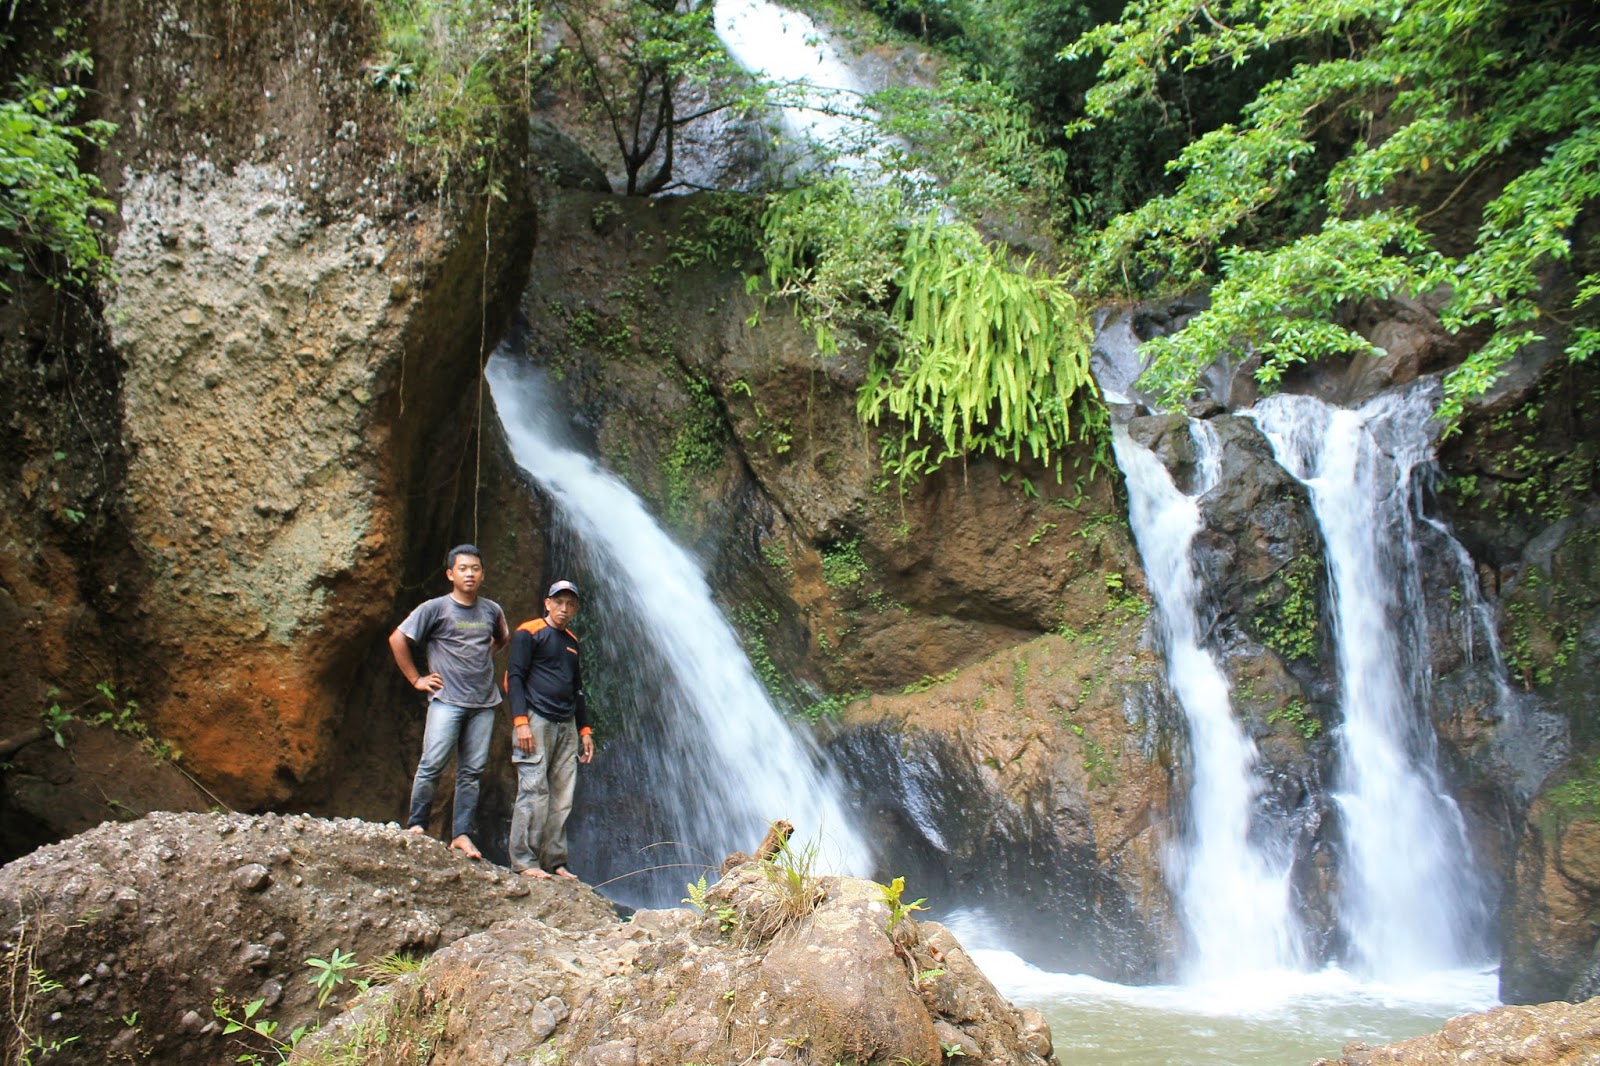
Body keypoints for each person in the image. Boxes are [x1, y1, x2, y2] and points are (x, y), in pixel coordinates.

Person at [388, 544, 510, 860]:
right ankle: (417, 825)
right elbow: (397, 638)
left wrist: (483, 658)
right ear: (450, 574)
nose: (469, 574)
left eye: (475, 568)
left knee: (471, 771)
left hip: (484, 702)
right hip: (447, 701)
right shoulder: (435, 608)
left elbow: (502, 638)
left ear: (482, 574)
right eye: (463, 568)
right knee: (432, 764)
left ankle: (461, 835)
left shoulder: (492, 610)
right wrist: (417, 679)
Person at [504, 579, 595, 879]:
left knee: (562, 795)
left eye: (570, 604)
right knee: (533, 790)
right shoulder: (528, 633)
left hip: (566, 723)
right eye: (559, 602)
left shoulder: (572, 641)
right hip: (535, 719)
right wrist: (521, 722)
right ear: (547, 603)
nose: (564, 608)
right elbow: (514, 678)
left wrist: (585, 730)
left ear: (576, 608)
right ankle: (524, 861)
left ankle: (554, 860)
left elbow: (577, 689)